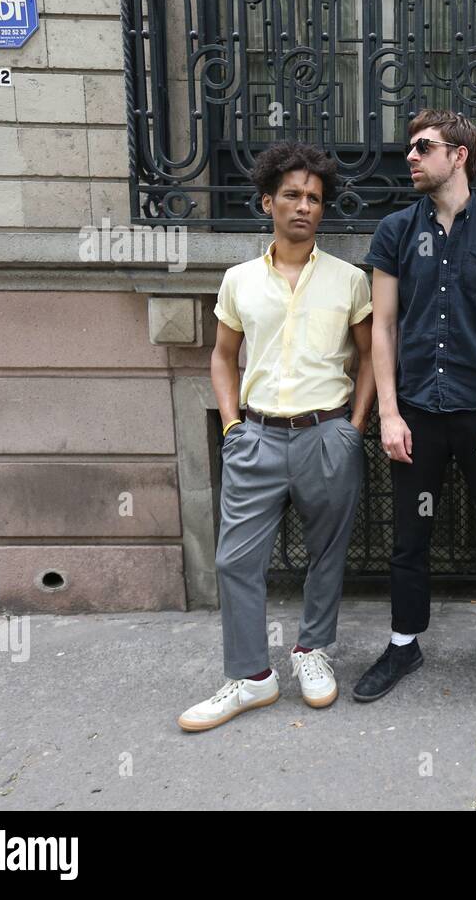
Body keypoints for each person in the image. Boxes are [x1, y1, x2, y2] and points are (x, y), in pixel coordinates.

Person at [179, 141, 375, 732]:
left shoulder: (349, 281)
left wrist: (354, 429)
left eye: (314, 198)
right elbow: (221, 357)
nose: (304, 206)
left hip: (326, 434)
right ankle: (250, 678)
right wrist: (233, 426)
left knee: (327, 552)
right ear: (267, 201)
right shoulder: (239, 281)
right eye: (291, 194)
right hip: (256, 438)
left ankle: (311, 651)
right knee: (235, 559)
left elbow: (370, 359)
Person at [352, 110, 476, 702]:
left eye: (422, 147)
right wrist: (388, 413)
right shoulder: (394, 231)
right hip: (414, 409)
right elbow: (381, 326)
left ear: (458, 154)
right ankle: (404, 643)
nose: (409, 156)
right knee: (410, 535)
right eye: (409, 147)